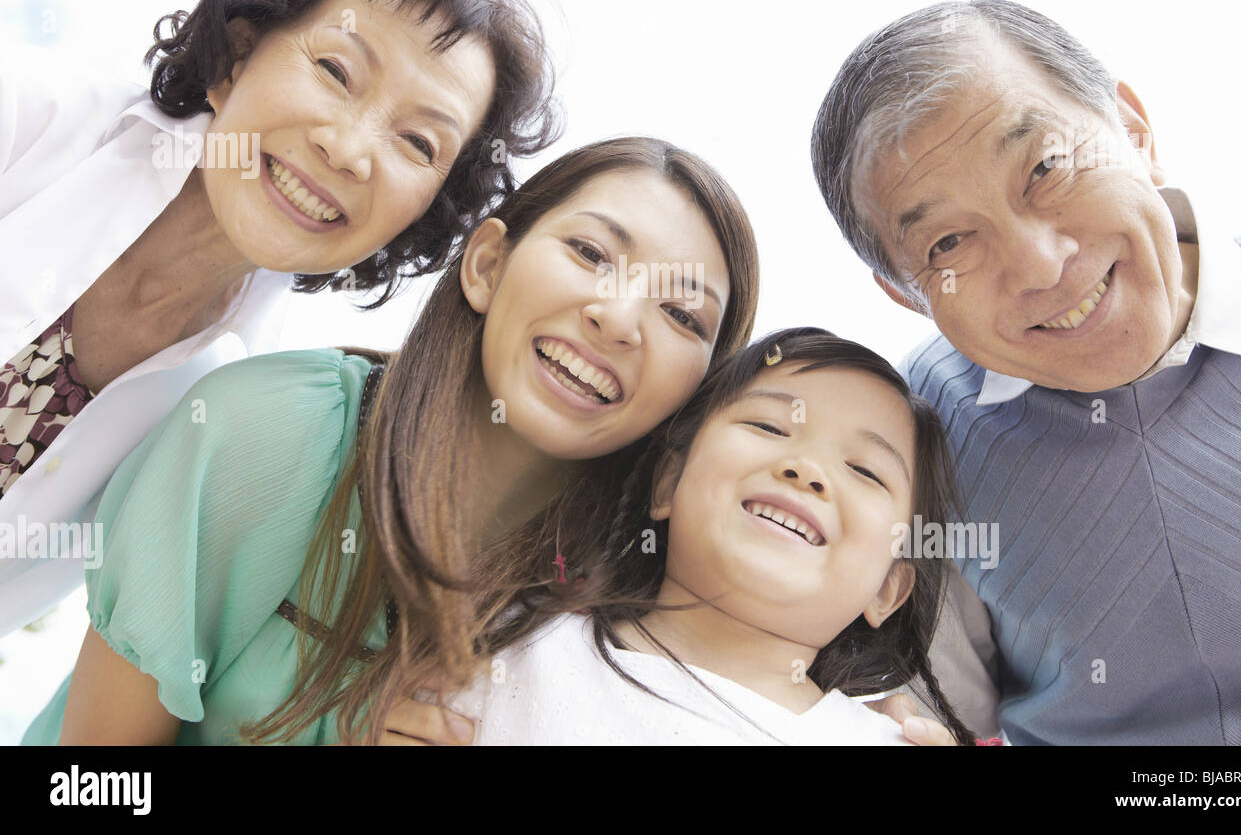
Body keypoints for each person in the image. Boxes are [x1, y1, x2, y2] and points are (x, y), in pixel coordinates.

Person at [21, 136, 760, 745]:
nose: (618, 318)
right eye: (592, 254)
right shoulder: (269, 434)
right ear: (487, 265)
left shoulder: (622, 613)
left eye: (682, 315)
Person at [0, 0, 560, 636]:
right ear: (239, 55)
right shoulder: (25, 119)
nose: (348, 149)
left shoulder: (234, 403)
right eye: (335, 70)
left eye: (417, 143)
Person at [811, 0, 1241, 744]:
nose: (1040, 265)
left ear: (1132, 132)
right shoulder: (914, 431)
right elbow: (927, 704)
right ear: (906, 295)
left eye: (1046, 166)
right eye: (947, 244)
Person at [439, 328, 977, 744]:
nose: (808, 469)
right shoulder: (507, 642)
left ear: (887, 589)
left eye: (864, 471)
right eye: (768, 427)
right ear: (668, 483)